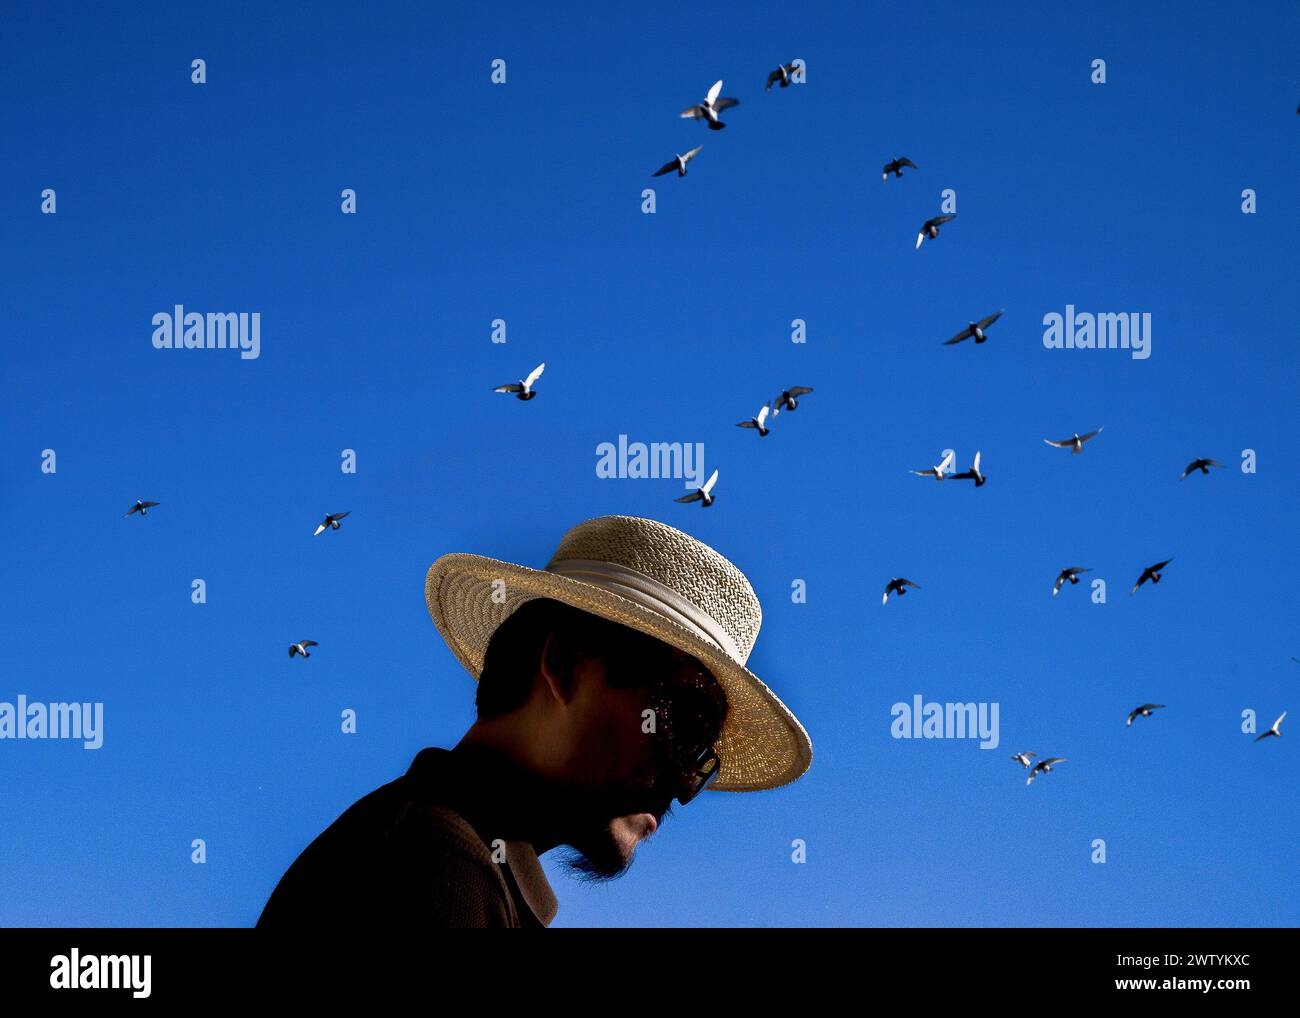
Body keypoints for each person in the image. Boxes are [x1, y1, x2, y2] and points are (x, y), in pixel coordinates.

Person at [256, 514, 812, 927]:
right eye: (687, 722)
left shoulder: (449, 855)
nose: (685, 785)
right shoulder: (437, 867)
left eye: (701, 753)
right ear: (567, 665)